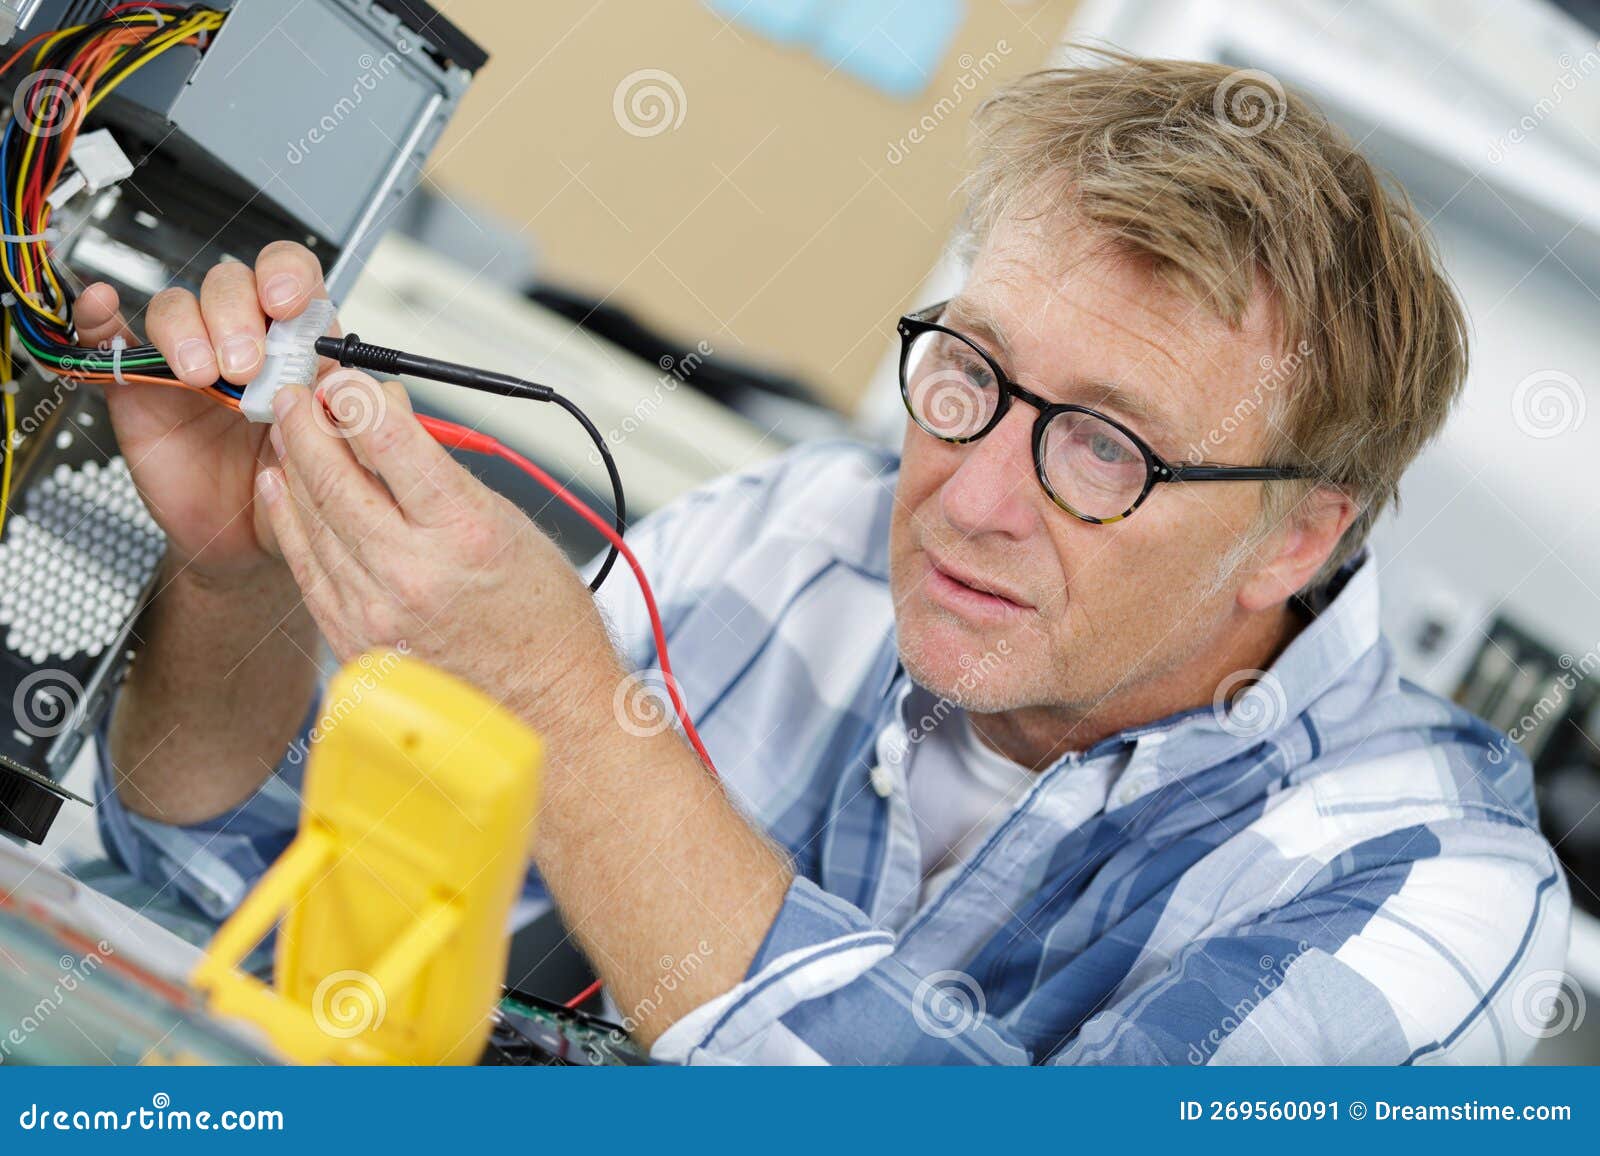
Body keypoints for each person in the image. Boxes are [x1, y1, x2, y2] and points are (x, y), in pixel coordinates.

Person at [87, 51, 1568, 1064]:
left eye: (1103, 447)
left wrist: (564, 715)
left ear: (1299, 534)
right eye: (969, 374)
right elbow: (238, 913)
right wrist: (241, 583)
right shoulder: (800, 544)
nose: (972, 499)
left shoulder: (1432, 890)